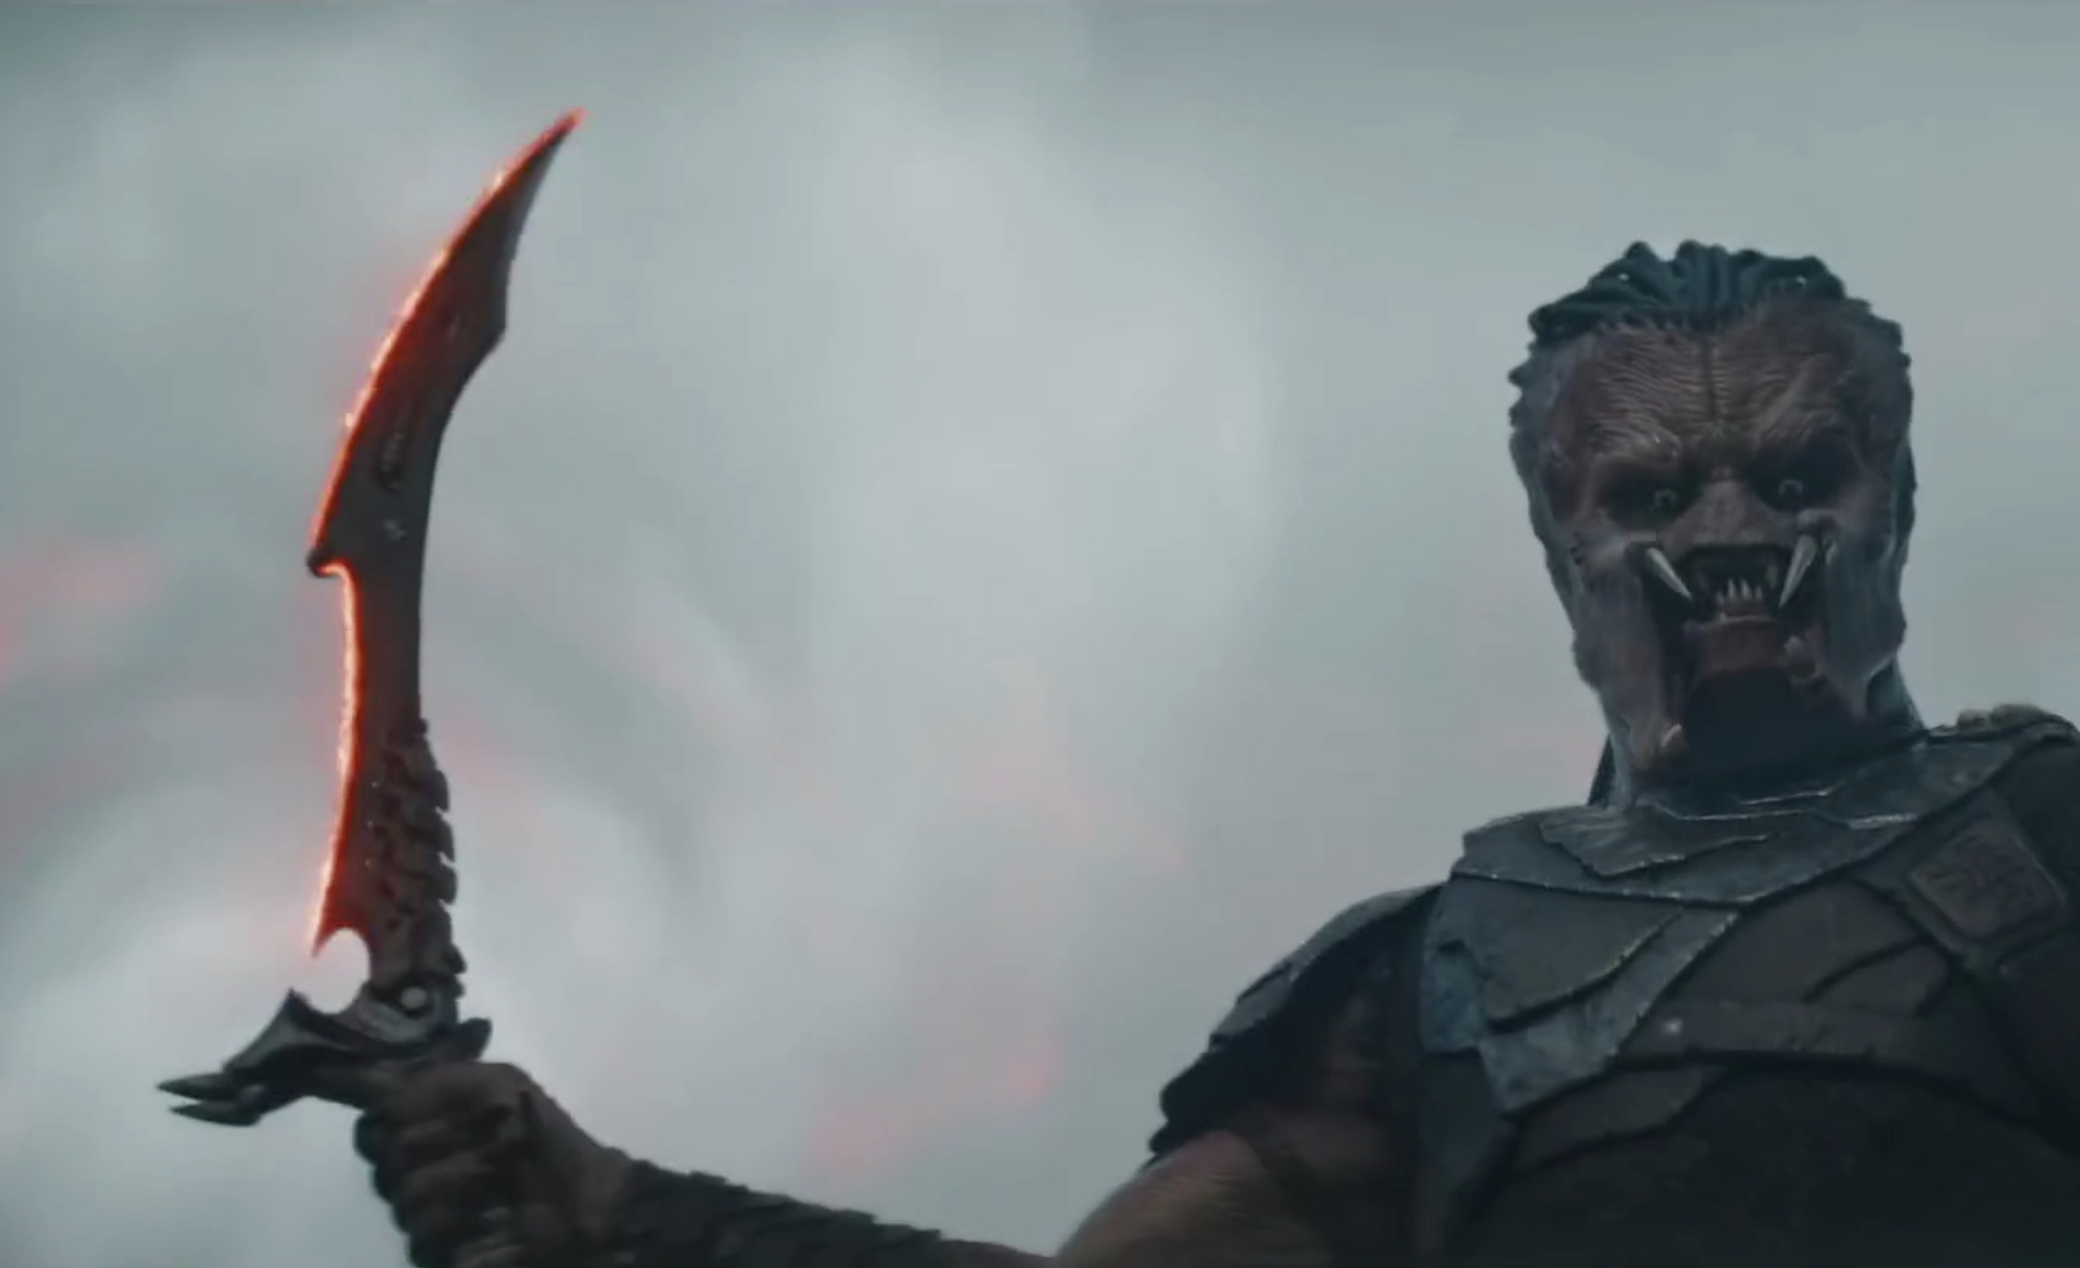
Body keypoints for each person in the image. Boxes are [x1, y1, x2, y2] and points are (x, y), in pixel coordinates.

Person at [354, 242, 2080, 1268]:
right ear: (1563, 548)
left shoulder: (2046, 833)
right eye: (1653, 494)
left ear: (1897, 503)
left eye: (1797, 480)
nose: (1731, 538)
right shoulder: (1446, 982)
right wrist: (623, 1217)